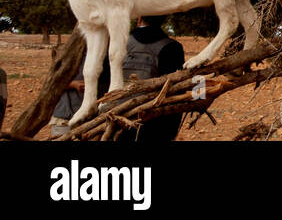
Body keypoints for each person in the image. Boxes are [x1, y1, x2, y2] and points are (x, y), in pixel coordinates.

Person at [50, 16, 186, 141]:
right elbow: (176, 91)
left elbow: (103, 81)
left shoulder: (117, 43)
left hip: (116, 122)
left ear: (139, 18)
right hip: (154, 125)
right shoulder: (172, 48)